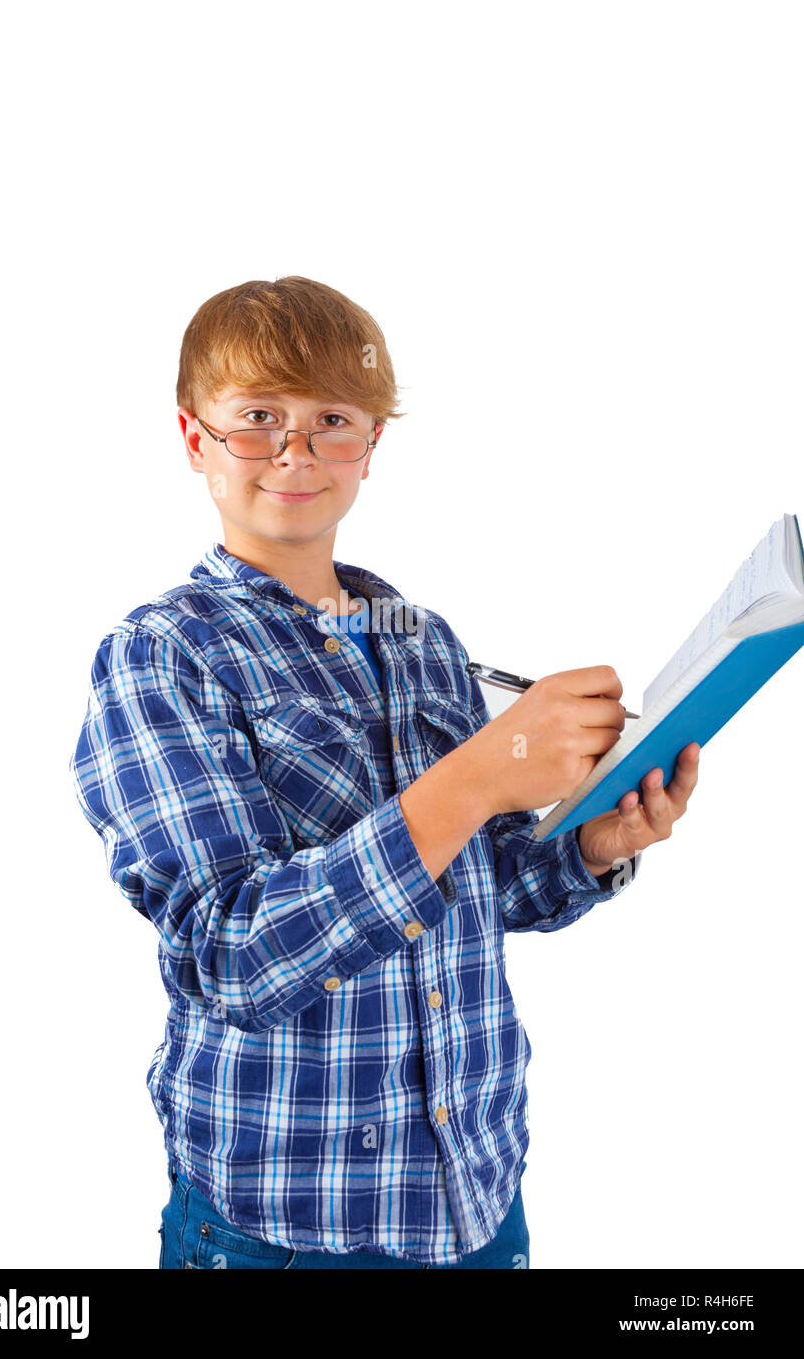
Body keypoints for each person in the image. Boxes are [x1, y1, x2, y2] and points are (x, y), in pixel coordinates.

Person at [69, 275, 700, 1270]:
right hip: (284, 1229)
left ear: (370, 445)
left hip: (477, 1202)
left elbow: (474, 889)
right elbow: (230, 956)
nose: (294, 450)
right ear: (195, 439)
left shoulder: (421, 642)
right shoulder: (163, 654)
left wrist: (587, 843)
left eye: (331, 419)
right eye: (257, 418)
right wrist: (479, 778)